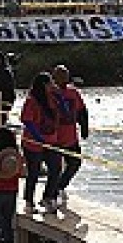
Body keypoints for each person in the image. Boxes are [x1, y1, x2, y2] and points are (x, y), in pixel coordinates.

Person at [20, 72, 61, 212]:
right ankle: (29, 201)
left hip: (51, 141)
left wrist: (59, 97)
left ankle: (48, 197)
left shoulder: (52, 98)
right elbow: (27, 120)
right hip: (33, 143)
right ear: (44, 85)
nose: (52, 85)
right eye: (50, 83)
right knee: (34, 172)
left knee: (55, 169)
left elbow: (64, 112)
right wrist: (38, 137)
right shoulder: (31, 100)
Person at [51, 64, 88, 209]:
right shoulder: (50, 92)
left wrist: (84, 127)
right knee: (54, 168)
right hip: (53, 137)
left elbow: (82, 111)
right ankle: (50, 196)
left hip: (70, 136)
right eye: (60, 76)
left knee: (75, 163)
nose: (64, 79)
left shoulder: (73, 92)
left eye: (65, 76)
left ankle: (60, 186)